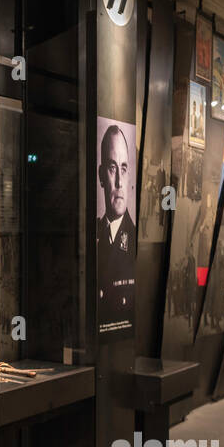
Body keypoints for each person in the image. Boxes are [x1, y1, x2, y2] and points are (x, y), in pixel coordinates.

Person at [97, 124, 136, 325]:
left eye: (124, 168)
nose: (120, 182)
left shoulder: (135, 240)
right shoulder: (93, 235)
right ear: (101, 176)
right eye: (112, 168)